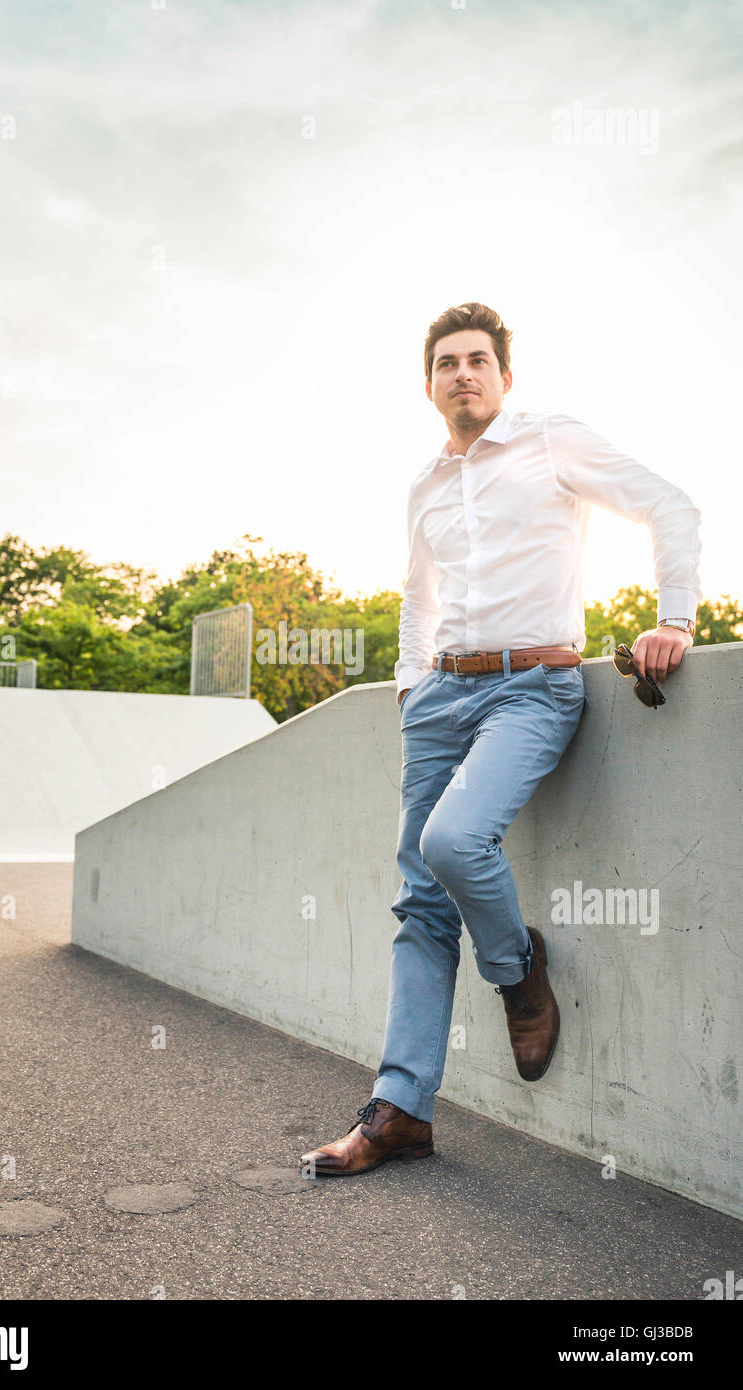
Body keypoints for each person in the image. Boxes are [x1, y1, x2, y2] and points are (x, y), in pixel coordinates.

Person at [300, 301, 701, 1177]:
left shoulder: (550, 440)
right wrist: (412, 685)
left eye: (478, 360)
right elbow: (417, 593)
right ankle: (400, 1109)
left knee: (453, 839)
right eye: (446, 363)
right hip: (441, 696)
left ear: (504, 377)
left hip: (535, 687)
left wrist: (674, 617)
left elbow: (669, 506)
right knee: (418, 901)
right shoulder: (424, 485)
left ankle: (518, 974)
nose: (463, 374)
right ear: (431, 385)